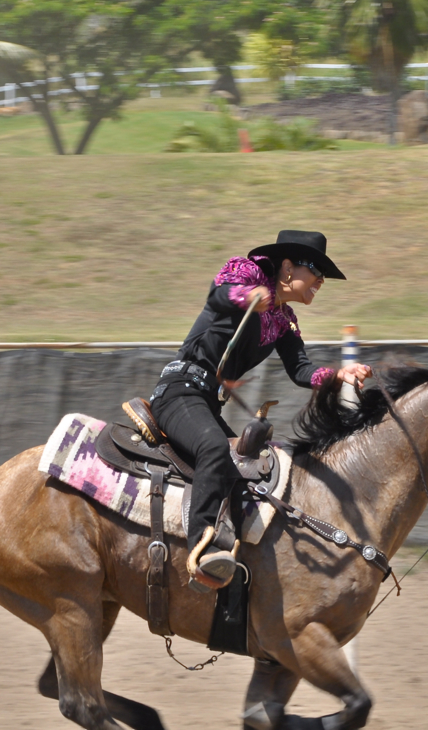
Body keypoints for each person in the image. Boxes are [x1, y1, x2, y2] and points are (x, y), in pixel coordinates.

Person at [150, 230, 372, 590]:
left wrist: (337, 376)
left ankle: (238, 557)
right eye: (315, 270)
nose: (320, 281)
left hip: (205, 401)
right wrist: (246, 295)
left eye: (323, 277)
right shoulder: (248, 273)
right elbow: (218, 296)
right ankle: (203, 553)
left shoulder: (285, 320)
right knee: (213, 448)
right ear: (286, 267)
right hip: (179, 391)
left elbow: (301, 369)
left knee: (245, 471)